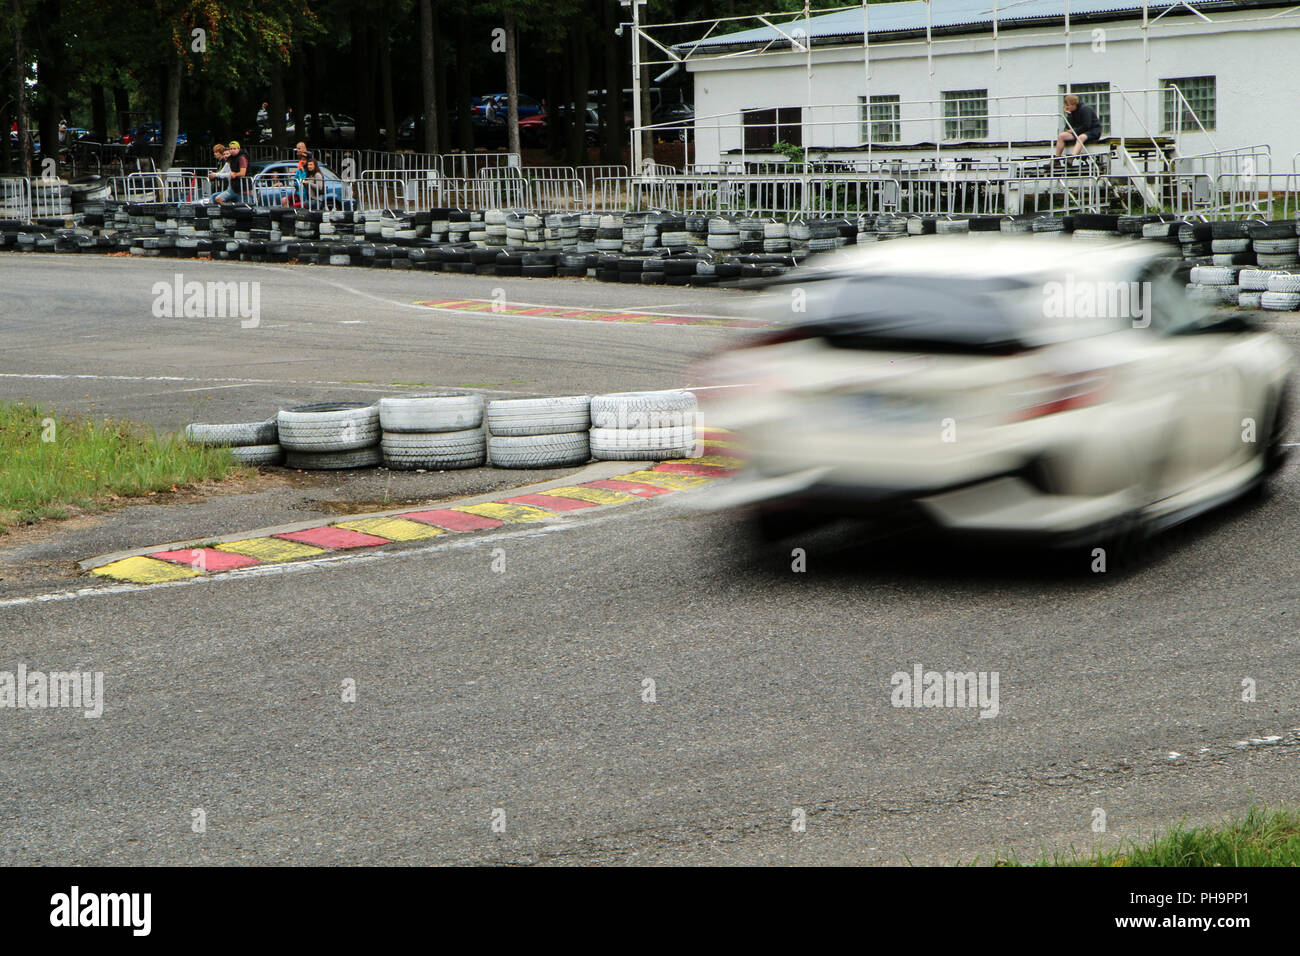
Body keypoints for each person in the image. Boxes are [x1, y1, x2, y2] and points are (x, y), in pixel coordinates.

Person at [211, 140, 248, 204]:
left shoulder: (242, 158)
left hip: (242, 188)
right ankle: (228, 209)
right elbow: (223, 172)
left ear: (238, 149)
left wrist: (234, 174)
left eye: (234, 148)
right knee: (216, 197)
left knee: (243, 206)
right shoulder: (230, 160)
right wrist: (216, 175)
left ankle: (229, 208)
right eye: (231, 149)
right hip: (233, 187)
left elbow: (242, 173)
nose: (232, 150)